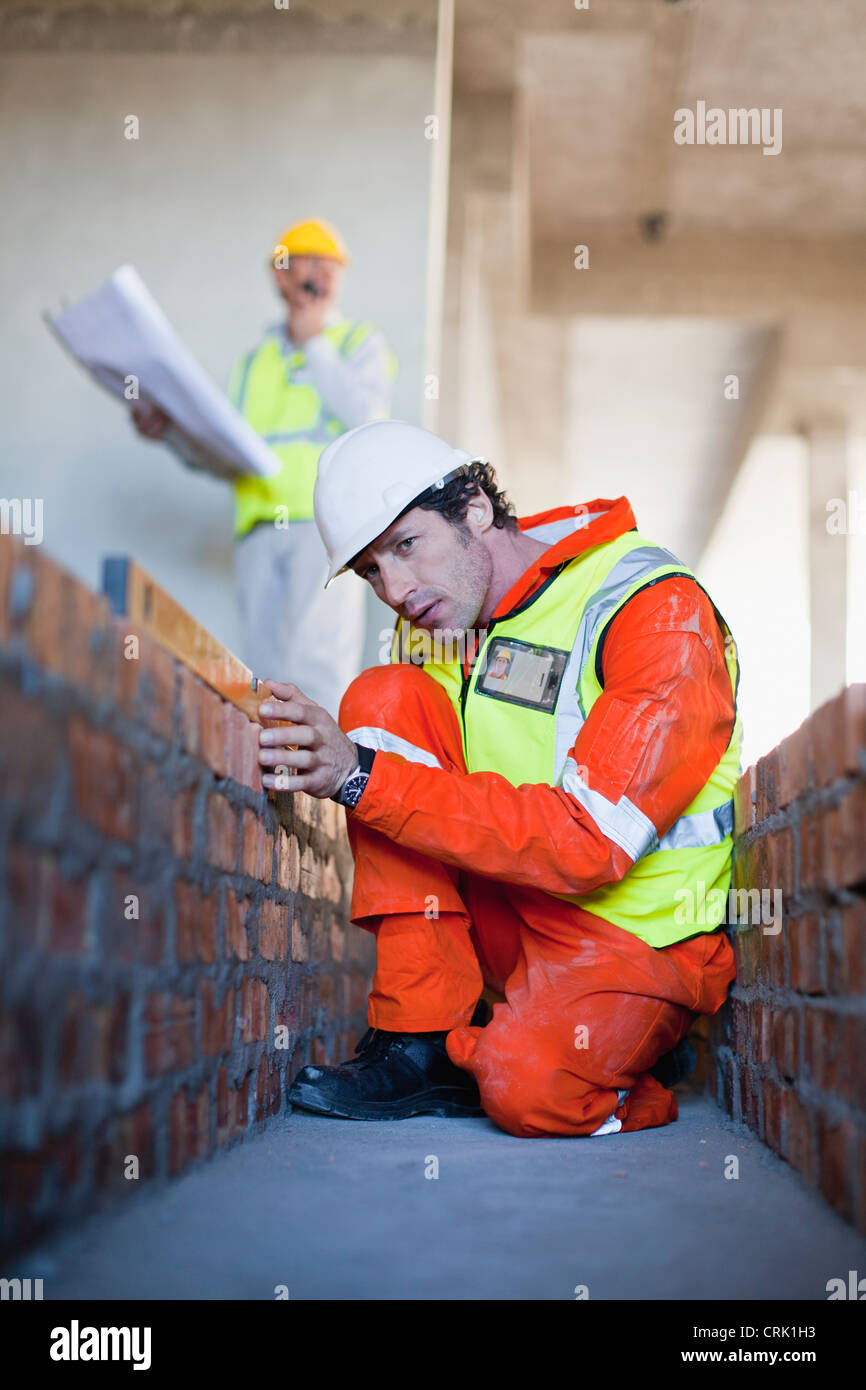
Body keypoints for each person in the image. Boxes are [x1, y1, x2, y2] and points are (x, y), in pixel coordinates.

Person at [255, 419, 740, 1139]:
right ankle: (421, 1043)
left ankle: (618, 1073)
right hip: (512, 913)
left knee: (526, 1090)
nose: (396, 588)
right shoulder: (433, 626)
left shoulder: (652, 609)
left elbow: (587, 844)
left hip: (628, 936)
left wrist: (358, 774)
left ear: (475, 509)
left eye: (406, 546)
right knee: (382, 698)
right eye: (371, 570)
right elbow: (429, 809)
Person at [131, 218, 396, 716]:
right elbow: (222, 451)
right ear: (281, 276)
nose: (320, 274)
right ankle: (267, 787)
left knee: (317, 665)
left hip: (326, 527)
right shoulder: (254, 362)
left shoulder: (358, 342)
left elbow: (367, 421)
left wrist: (314, 343)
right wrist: (167, 431)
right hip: (259, 530)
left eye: (330, 265)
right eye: (307, 263)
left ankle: (321, 790)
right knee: (264, 672)